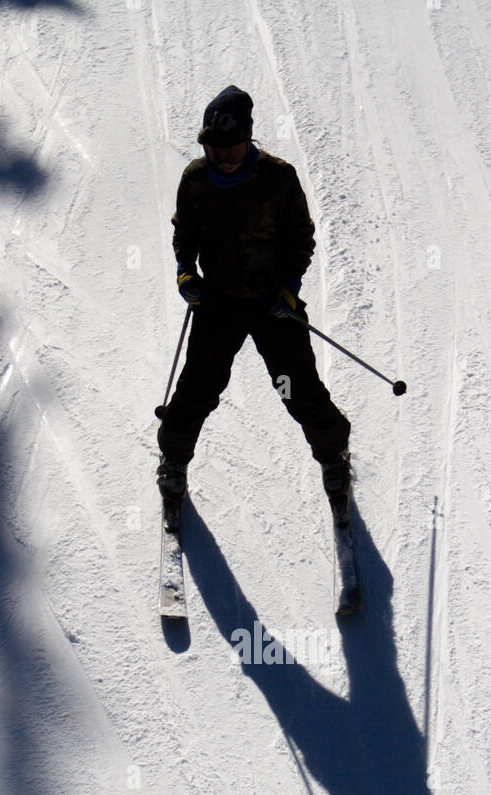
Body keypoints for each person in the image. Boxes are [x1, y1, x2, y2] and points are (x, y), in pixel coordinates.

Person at [156, 85, 352, 528]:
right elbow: (185, 234)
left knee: (295, 387)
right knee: (198, 388)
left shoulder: (278, 179)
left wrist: (289, 288)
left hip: (272, 305)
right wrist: (186, 272)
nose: (223, 157)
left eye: (231, 148)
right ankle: (173, 460)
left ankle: (333, 454)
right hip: (218, 302)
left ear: (249, 139)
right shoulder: (196, 179)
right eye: (214, 149)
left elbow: (301, 239)